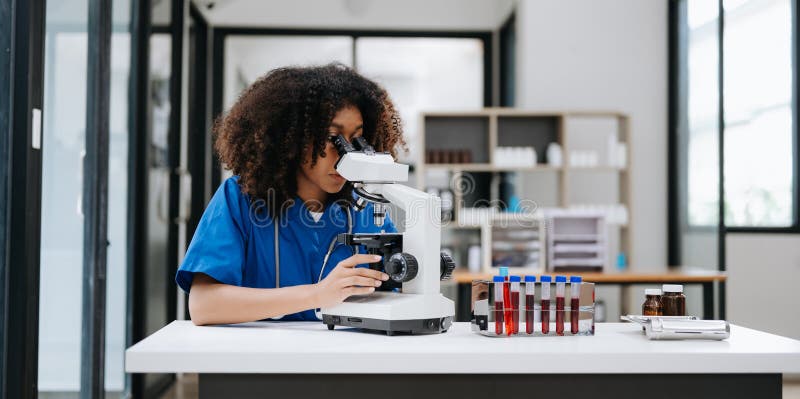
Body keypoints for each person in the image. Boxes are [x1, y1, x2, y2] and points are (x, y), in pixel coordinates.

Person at [176, 63, 407, 325]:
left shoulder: (366, 205)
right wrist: (317, 295)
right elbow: (203, 305)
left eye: (356, 140)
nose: (346, 154)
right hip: (263, 351)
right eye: (332, 138)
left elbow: (396, 291)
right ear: (292, 137)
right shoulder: (240, 198)